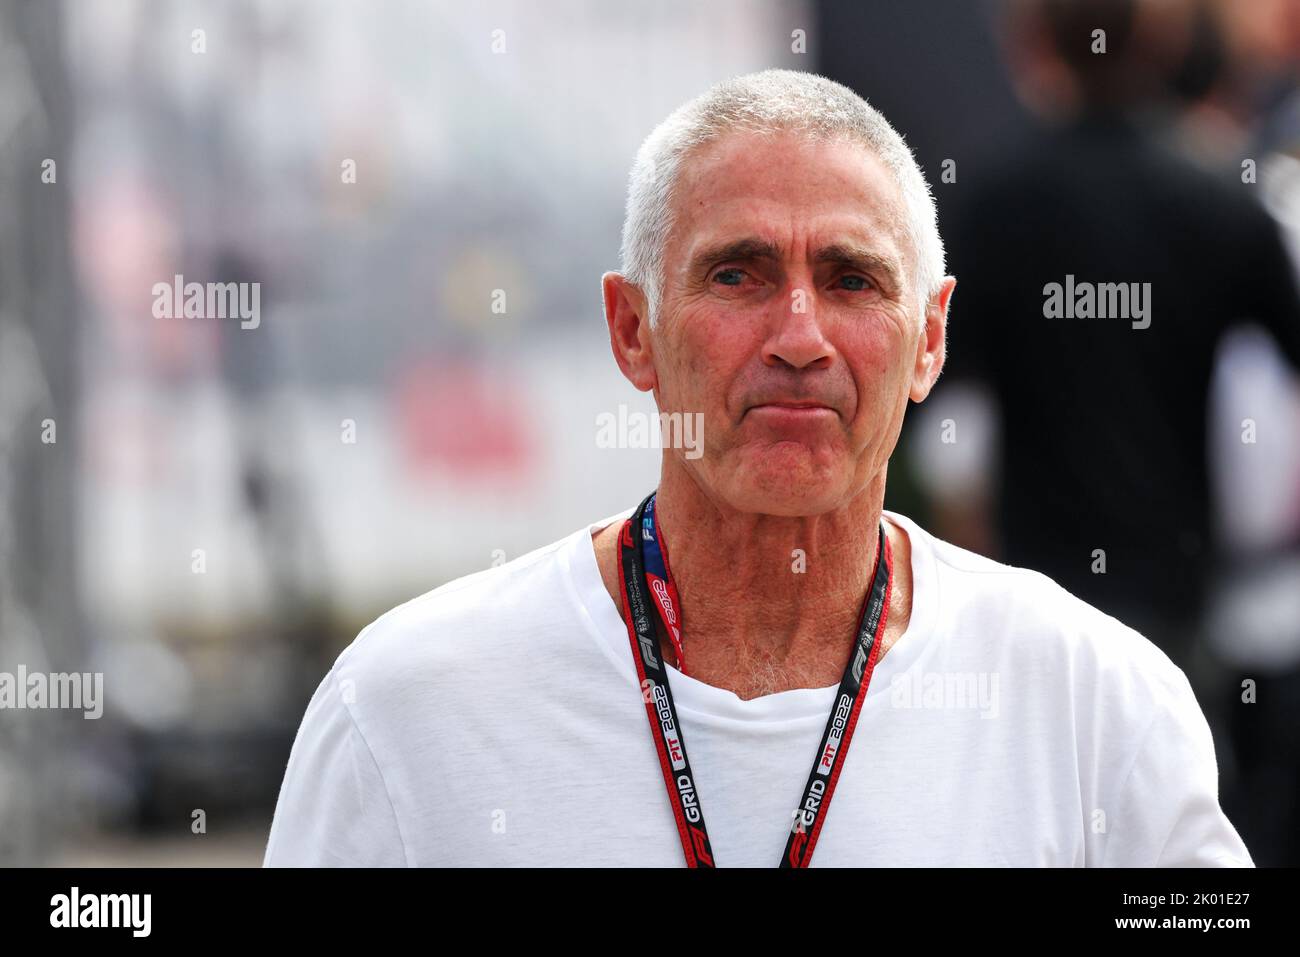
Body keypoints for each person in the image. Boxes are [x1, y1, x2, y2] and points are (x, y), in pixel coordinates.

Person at [264, 69, 1252, 867]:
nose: (797, 337)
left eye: (850, 279)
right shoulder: (407, 709)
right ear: (631, 328)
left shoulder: (1095, 706)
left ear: (929, 342)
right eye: (736, 273)